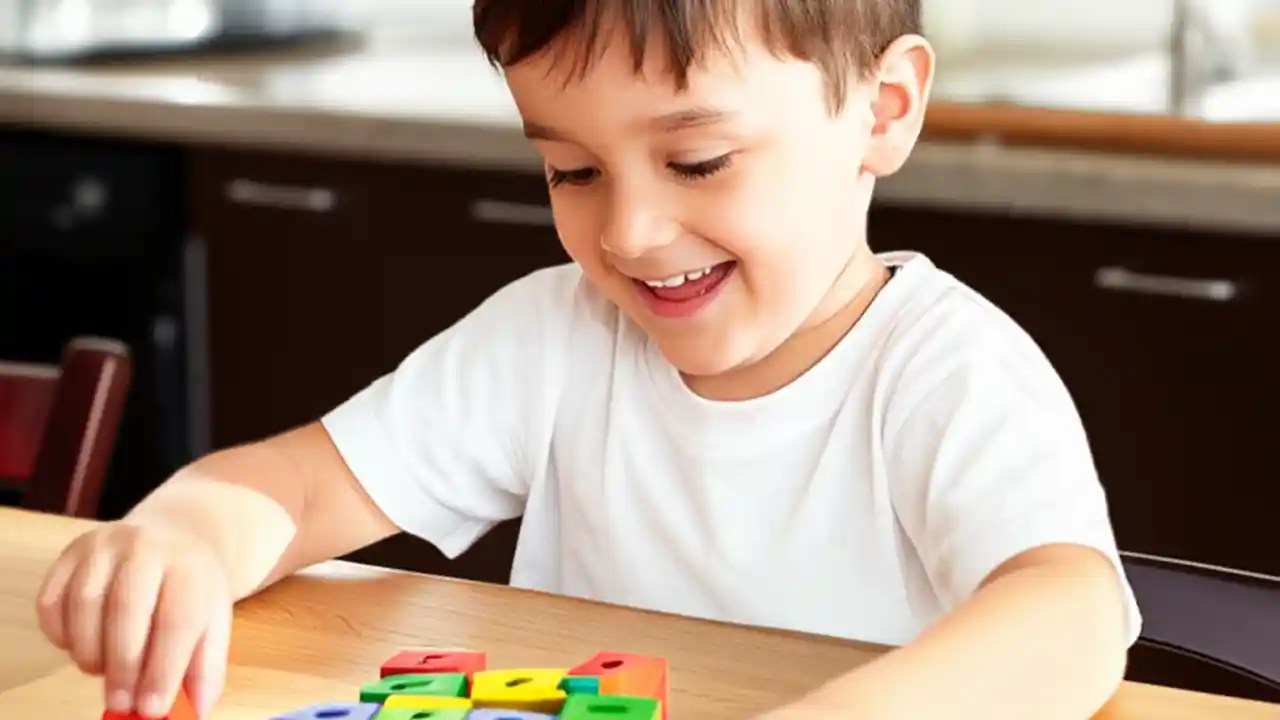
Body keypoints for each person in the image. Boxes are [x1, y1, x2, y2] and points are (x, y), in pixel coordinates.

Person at [35, 1, 1142, 718]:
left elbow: (1072, 612)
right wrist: (183, 530)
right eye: (570, 171)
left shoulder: (944, 371)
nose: (627, 234)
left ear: (881, 111)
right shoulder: (552, 336)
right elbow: (298, 483)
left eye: (697, 161)